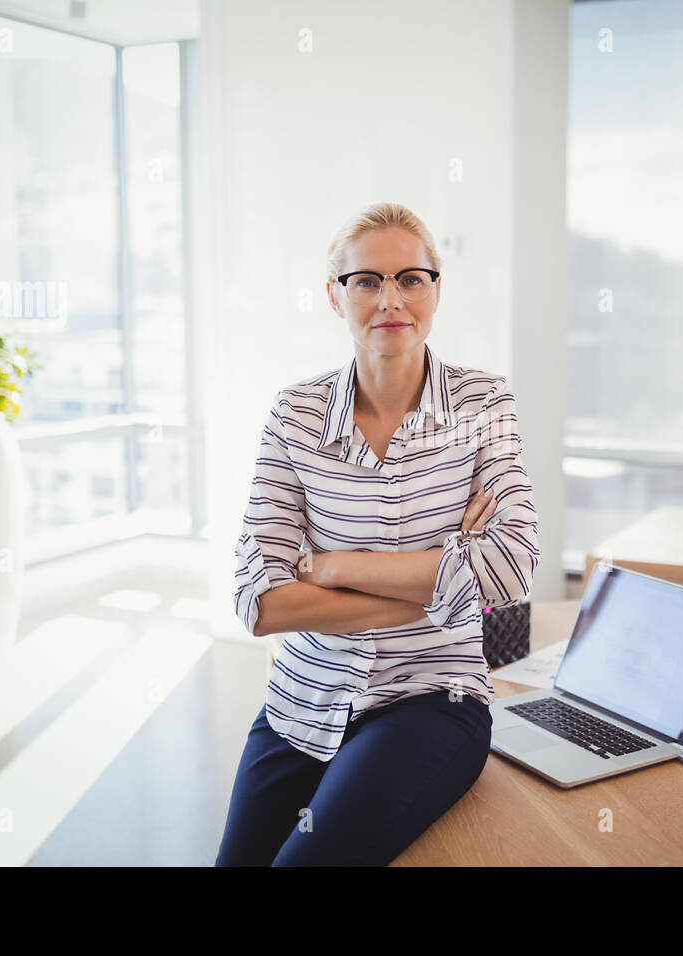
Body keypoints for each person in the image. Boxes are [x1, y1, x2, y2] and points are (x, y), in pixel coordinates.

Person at [215, 202, 540, 866]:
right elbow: (261, 603)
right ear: (335, 297)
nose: (390, 298)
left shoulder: (483, 403)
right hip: (304, 701)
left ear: (436, 290)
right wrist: (447, 580)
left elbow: (513, 567)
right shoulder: (295, 414)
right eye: (366, 281)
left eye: (410, 278)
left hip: (432, 698)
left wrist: (335, 567)